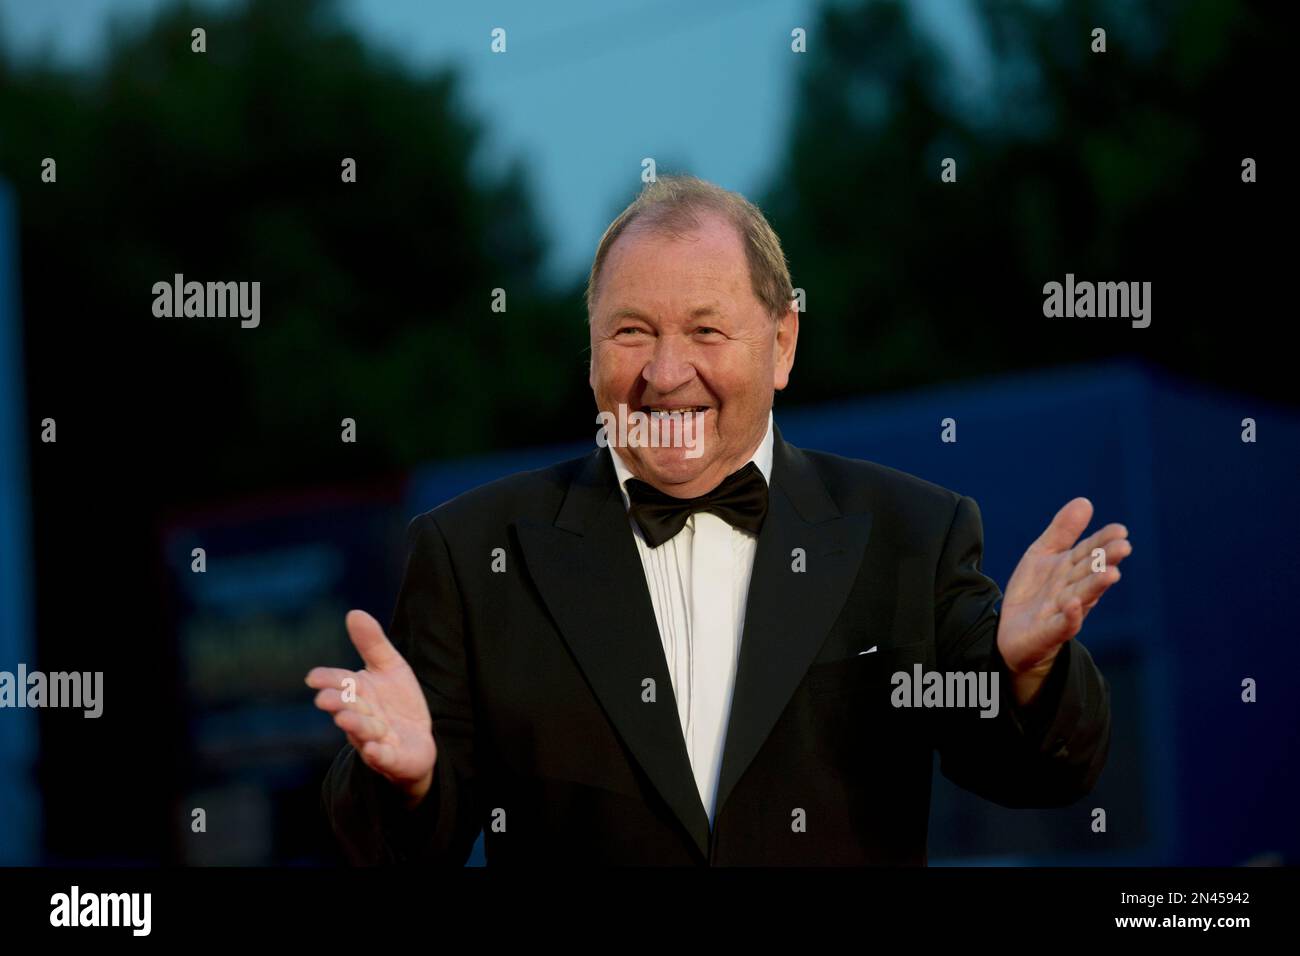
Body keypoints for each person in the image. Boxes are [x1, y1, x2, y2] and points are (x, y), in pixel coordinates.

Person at [307, 174, 1127, 865]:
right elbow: (394, 852)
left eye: (705, 330)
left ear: (781, 343)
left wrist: (1024, 676)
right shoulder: (473, 553)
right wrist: (407, 780)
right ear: (590, 350)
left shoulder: (910, 533)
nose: (667, 374)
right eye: (631, 333)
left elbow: (1042, 775)